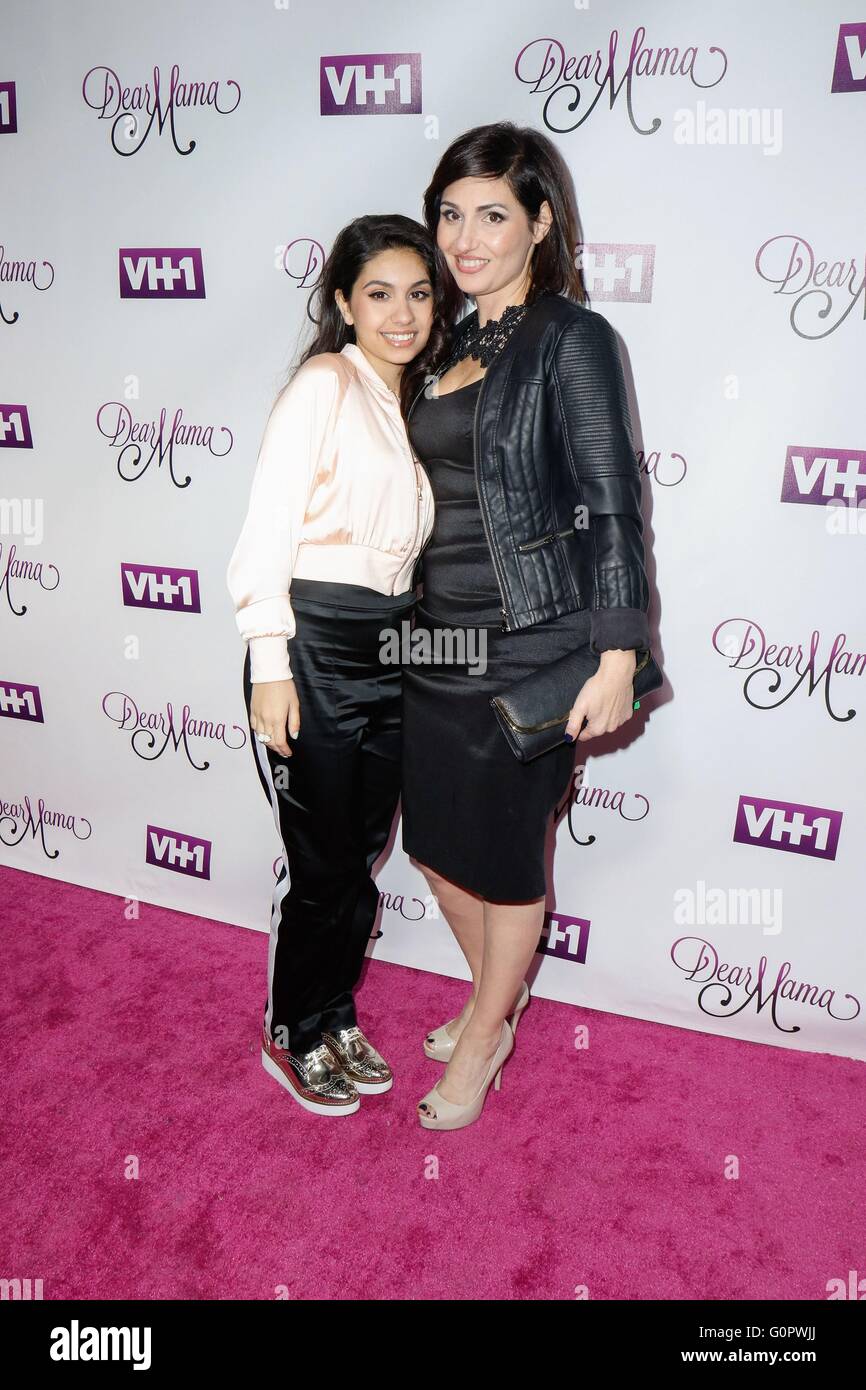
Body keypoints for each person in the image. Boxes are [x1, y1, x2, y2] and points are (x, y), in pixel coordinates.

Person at [400, 123, 653, 1131]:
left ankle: (483, 1030)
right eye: (450, 213)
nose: (464, 237)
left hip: (534, 636)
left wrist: (618, 651)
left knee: (505, 861)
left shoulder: (572, 339)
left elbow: (611, 500)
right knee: (427, 844)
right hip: (434, 635)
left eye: (492, 215)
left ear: (540, 222)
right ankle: (490, 1001)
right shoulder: (442, 337)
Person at [226, 214, 446, 1116]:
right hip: (312, 644)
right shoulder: (324, 382)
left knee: (359, 852)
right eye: (380, 294)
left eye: (421, 293)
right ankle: (292, 1028)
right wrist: (270, 662)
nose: (403, 314)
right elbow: (266, 533)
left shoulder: (409, 405)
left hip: (393, 645)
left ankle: (332, 1011)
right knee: (320, 858)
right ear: (344, 304)